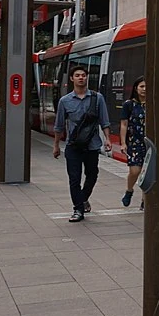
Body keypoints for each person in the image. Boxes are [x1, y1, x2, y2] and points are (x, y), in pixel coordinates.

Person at [52, 65, 112, 222]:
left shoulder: (97, 98)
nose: (81, 78)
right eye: (77, 75)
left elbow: (104, 121)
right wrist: (56, 145)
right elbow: (59, 126)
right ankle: (78, 209)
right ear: (72, 79)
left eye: (83, 75)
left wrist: (107, 139)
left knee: (92, 174)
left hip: (92, 145)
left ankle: (83, 197)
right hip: (73, 146)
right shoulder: (64, 101)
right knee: (74, 178)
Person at [117, 76, 147, 210]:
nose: (144, 89)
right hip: (134, 141)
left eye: (147, 86)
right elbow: (124, 124)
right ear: (136, 88)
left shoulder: (154, 103)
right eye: (141, 86)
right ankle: (129, 190)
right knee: (135, 170)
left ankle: (144, 200)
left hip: (150, 143)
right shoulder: (128, 104)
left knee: (147, 173)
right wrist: (123, 143)